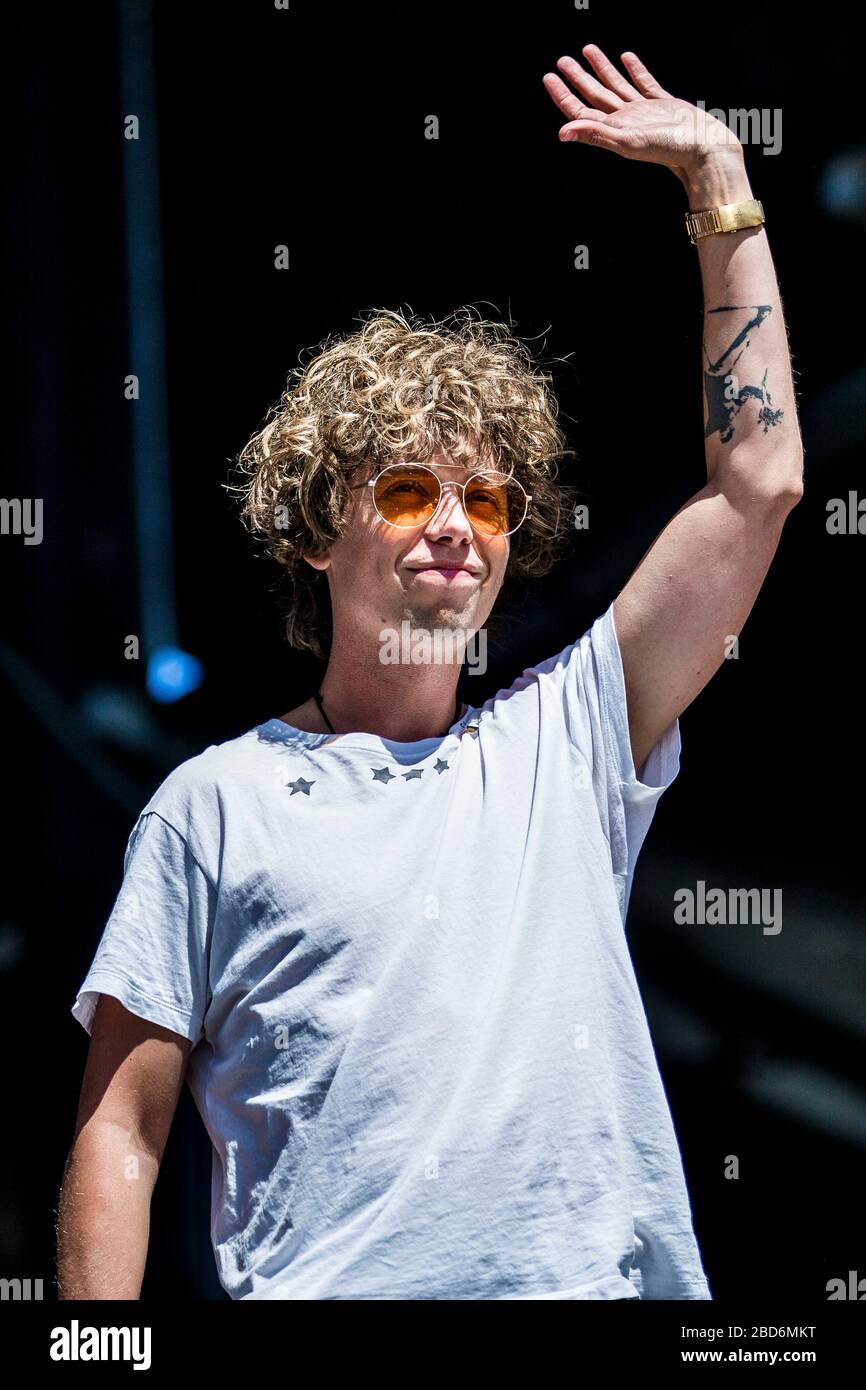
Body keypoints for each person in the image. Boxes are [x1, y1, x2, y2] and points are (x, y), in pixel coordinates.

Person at [58, 45, 803, 1300]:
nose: (455, 523)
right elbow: (122, 1134)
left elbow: (759, 483)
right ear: (312, 528)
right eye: (407, 491)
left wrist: (718, 180)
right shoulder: (212, 805)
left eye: (486, 498)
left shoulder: (566, 737)